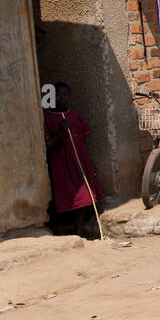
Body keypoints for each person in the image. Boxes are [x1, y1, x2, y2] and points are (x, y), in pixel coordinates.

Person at [44, 82, 105, 239]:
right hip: (61, 163)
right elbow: (48, 144)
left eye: (65, 94)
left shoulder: (76, 115)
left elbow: (83, 138)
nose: (61, 98)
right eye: (57, 95)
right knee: (66, 194)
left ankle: (80, 230)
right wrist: (59, 133)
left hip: (79, 159)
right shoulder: (47, 117)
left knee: (83, 194)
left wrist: (90, 162)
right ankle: (62, 228)